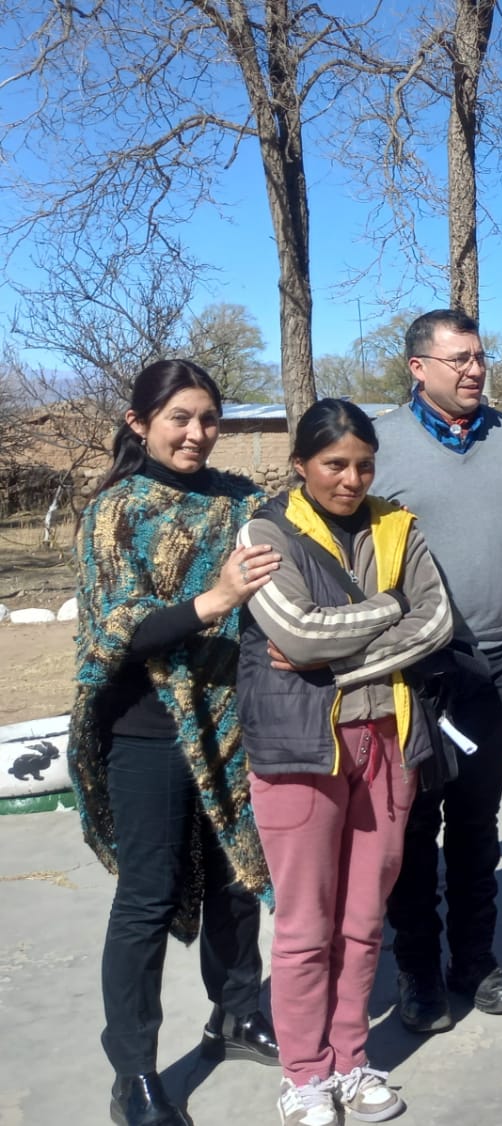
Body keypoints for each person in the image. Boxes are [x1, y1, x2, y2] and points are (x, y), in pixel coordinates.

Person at [68, 360, 280, 1126]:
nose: (195, 433)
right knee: (147, 901)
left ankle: (235, 1011)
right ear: (140, 423)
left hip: (232, 720)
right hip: (147, 728)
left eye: (208, 419)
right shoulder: (114, 513)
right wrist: (216, 598)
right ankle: (133, 1073)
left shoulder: (241, 502)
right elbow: (117, 631)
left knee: (236, 878)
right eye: (179, 418)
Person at [237, 400, 456, 1125]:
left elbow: (439, 622)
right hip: (300, 750)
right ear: (300, 466)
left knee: (364, 918)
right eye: (335, 464)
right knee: (305, 924)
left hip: (387, 740)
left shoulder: (399, 526)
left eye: (364, 464)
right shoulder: (266, 531)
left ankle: (351, 1058)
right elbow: (297, 632)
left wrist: (336, 665)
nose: (352, 479)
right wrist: (389, 606)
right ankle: (304, 1074)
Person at [378, 309, 502, 1033]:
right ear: (418, 367)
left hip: (499, 659)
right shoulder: (380, 445)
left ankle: (473, 960)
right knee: (412, 825)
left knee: (478, 820)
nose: (474, 370)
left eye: (480, 357)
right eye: (458, 360)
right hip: (413, 669)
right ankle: (416, 970)